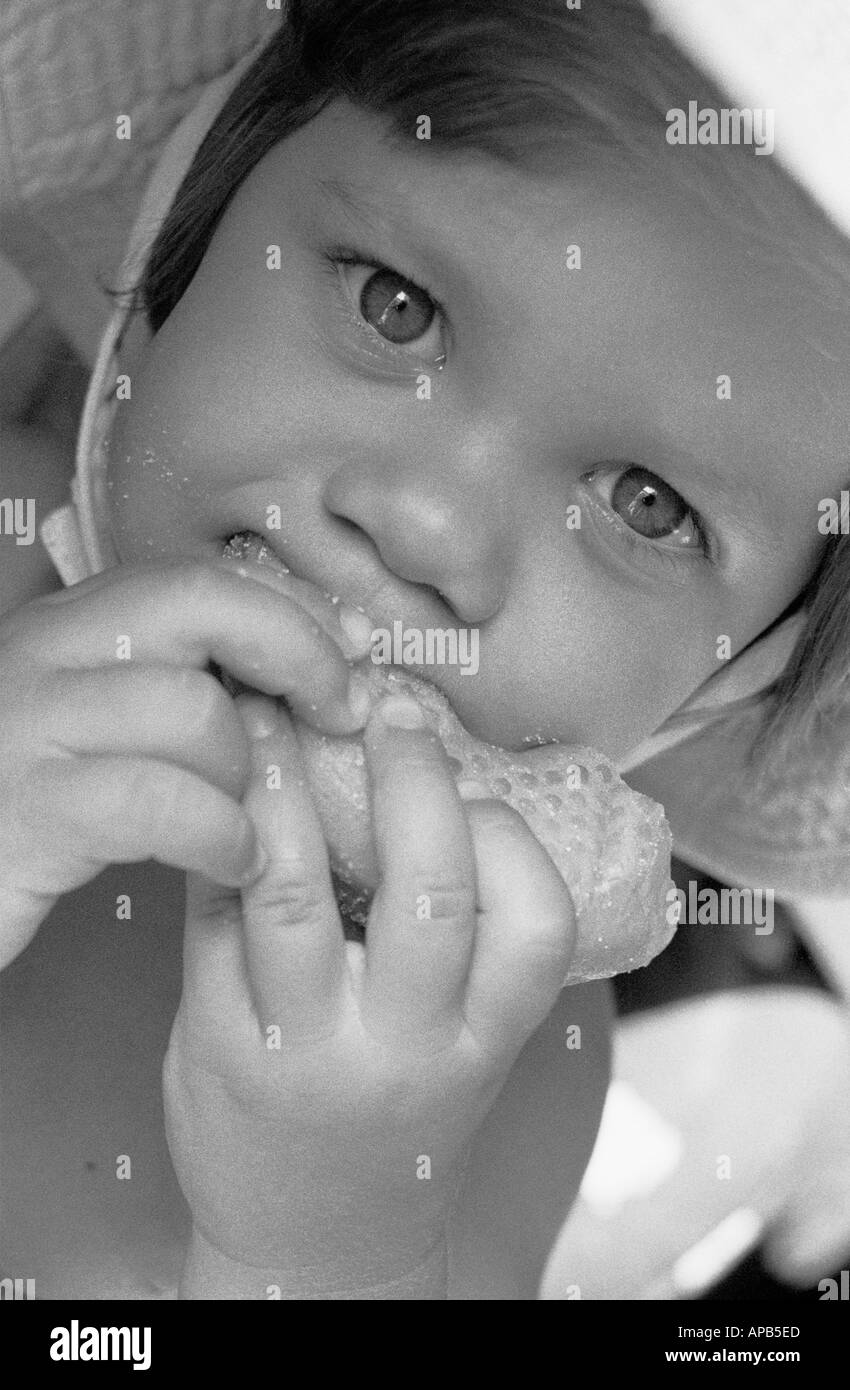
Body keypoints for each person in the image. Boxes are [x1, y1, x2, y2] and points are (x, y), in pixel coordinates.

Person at [1, 0, 848, 1299]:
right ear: (185, 238)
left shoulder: (496, 1046)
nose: (427, 528)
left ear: (712, 694)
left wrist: (325, 1239)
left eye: (643, 505)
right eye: (397, 308)